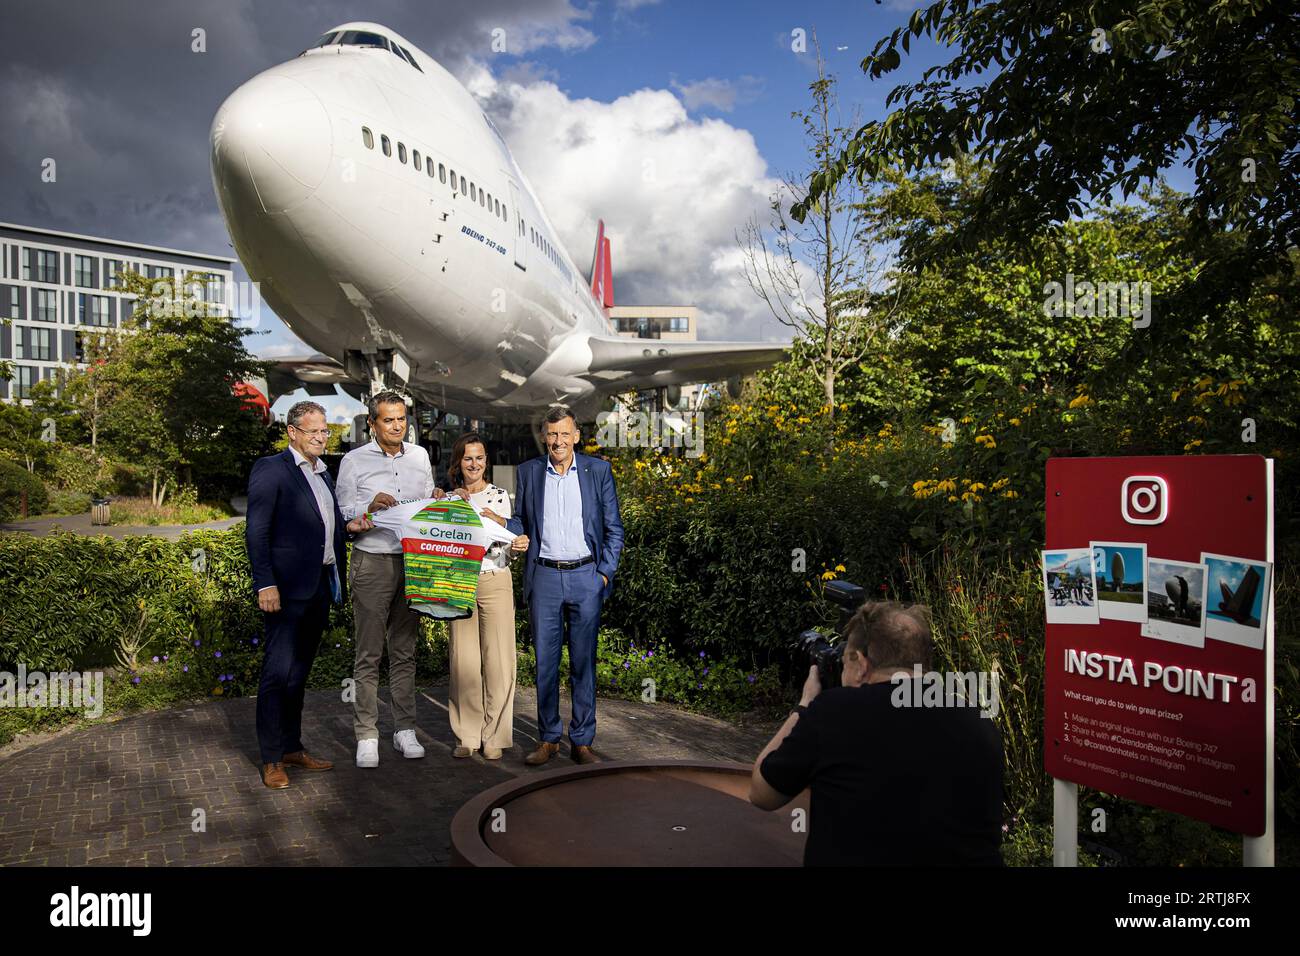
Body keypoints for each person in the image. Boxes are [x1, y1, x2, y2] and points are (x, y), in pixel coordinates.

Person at [749, 601, 1004, 866]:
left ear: (860, 663)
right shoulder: (979, 722)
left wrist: (804, 705)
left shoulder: (834, 712)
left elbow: (762, 793)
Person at [246, 401, 373, 790]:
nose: (320, 436)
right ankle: (270, 759)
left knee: (298, 674)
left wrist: (351, 526)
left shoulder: (323, 474)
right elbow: (257, 531)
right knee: (276, 673)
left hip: (319, 587)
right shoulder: (272, 469)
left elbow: (325, 525)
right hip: (284, 591)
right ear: (292, 432)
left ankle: (291, 746)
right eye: (313, 430)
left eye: (324, 431)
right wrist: (264, 583)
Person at [497, 405, 624, 766]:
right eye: (552, 434)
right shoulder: (529, 472)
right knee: (545, 664)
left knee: (583, 663)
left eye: (564, 434)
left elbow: (614, 528)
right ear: (544, 437)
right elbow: (521, 518)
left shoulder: (598, 471)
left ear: (576, 436)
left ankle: (582, 741)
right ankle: (549, 737)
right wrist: (510, 528)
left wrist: (603, 574)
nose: (558, 441)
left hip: (586, 577)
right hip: (546, 578)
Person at [335, 391, 439, 769]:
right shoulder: (353, 460)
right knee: (368, 654)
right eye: (389, 420)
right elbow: (342, 511)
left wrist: (438, 500)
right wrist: (366, 509)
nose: (398, 426)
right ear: (372, 424)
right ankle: (366, 734)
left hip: (412, 563)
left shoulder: (420, 457)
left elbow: (427, 505)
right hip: (372, 561)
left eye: (402, 419)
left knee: (405, 651)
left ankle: (404, 729)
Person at [444, 432, 527, 759]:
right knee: (463, 660)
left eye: (479, 458)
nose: (474, 464)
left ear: (486, 462)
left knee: (498, 660)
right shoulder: (449, 500)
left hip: (495, 579)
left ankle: (494, 737)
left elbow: (511, 544)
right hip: (459, 581)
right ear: (458, 463)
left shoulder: (499, 497)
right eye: (467, 458)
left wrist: (511, 534)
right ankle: (466, 735)